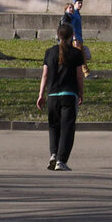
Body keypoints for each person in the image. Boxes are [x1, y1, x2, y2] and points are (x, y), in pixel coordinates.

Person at [36, 21, 84, 171]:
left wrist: (41, 95)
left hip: (52, 95)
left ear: (58, 35)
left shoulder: (49, 52)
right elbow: (79, 76)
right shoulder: (76, 53)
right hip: (69, 95)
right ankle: (61, 161)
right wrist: (81, 93)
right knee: (67, 129)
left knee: (53, 127)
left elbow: (44, 75)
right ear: (71, 37)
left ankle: (53, 154)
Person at [69, 0, 91, 77]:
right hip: (76, 39)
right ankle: (86, 73)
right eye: (78, 3)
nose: (80, 4)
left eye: (81, 3)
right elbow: (72, 27)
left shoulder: (77, 13)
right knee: (81, 56)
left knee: (77, 57)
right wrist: (75, 39)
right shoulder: (74, 14)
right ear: (74, 4)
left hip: (78, 38)